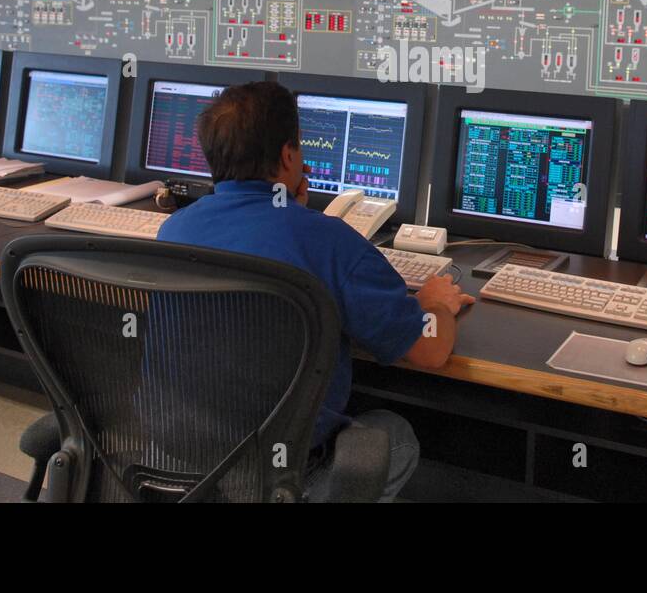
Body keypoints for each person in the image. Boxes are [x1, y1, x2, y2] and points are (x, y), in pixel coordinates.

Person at [158, 81, 473, 501]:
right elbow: (430, 352)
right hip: (283, 477)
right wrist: (434, 304)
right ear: (289, 155)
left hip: (180, 464)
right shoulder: (328, 241)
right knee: (393, 436)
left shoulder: (174, 229)